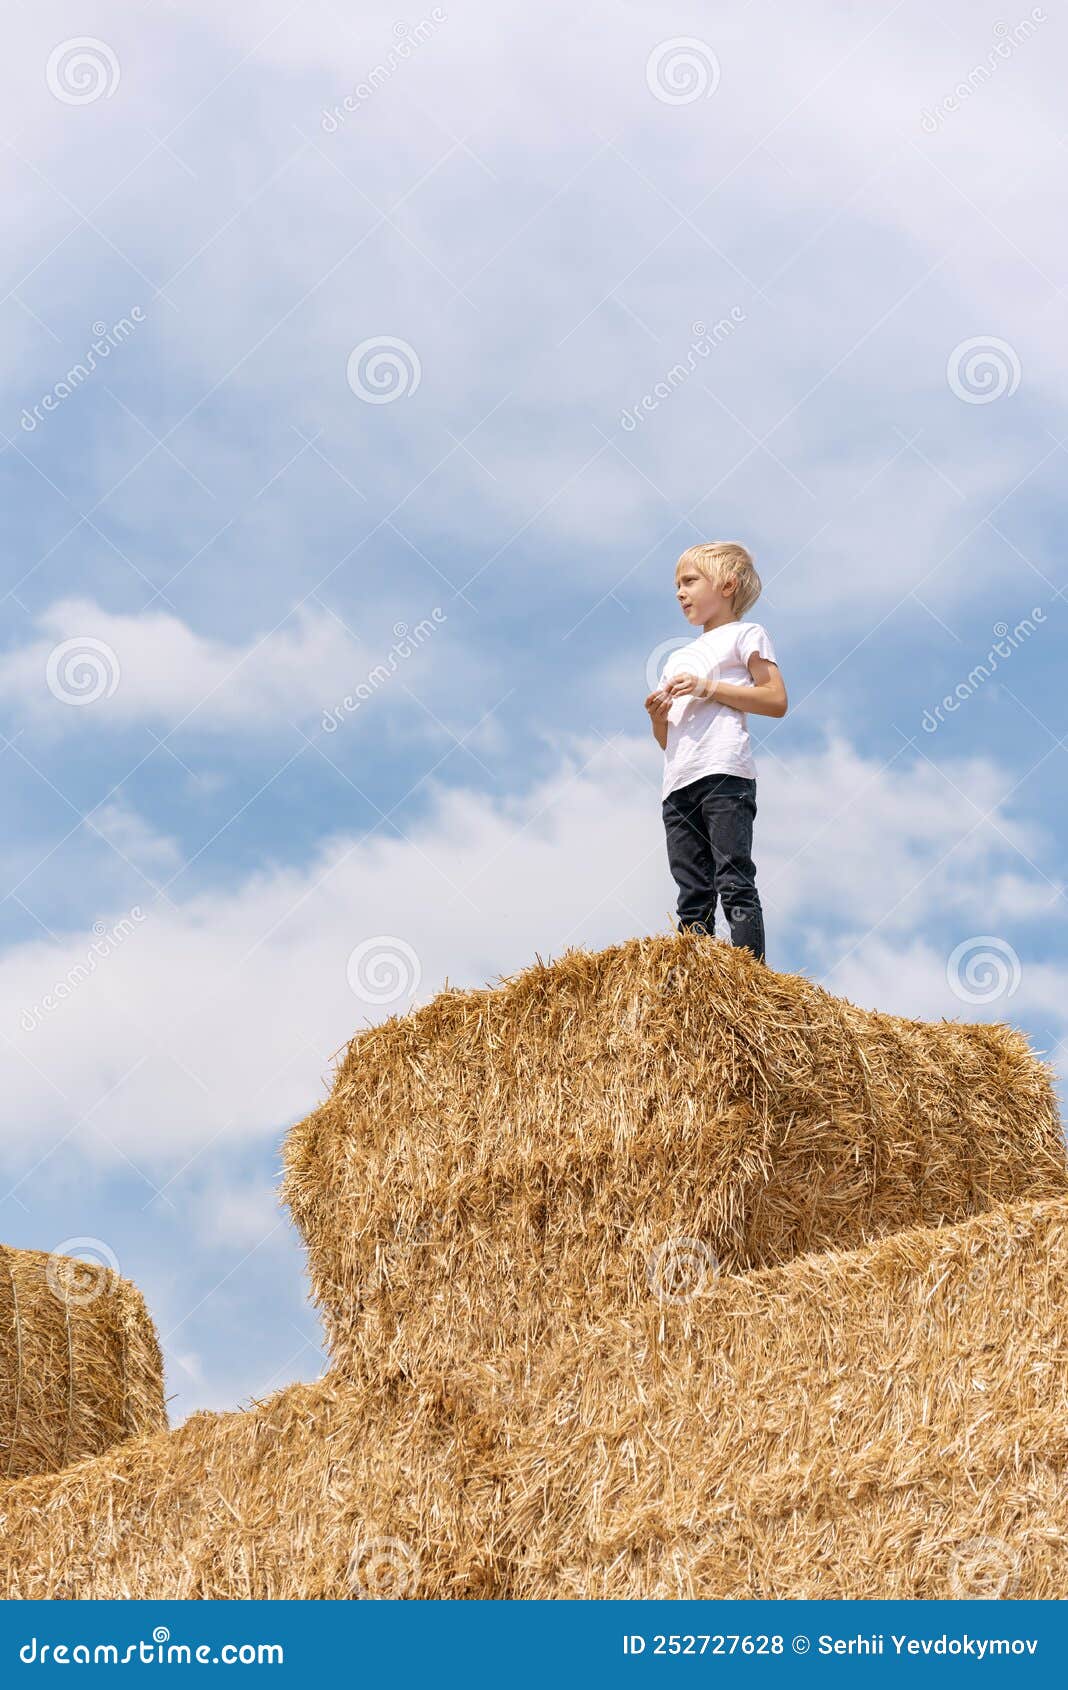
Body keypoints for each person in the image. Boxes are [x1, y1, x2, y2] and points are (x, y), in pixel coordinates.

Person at [645, 541, 787, 963]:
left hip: (725, 773)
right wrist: (657, 716)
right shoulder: (677, 659)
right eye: (676, 585)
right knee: (692, 891)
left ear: (727, 585)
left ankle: (749, 979)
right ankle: (697, 984)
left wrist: (708, 687)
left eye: (689, 581)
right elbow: (667, 739)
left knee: (733, 877)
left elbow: (775, 700)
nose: (679, 592)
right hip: (677, 784)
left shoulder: (748, 634)